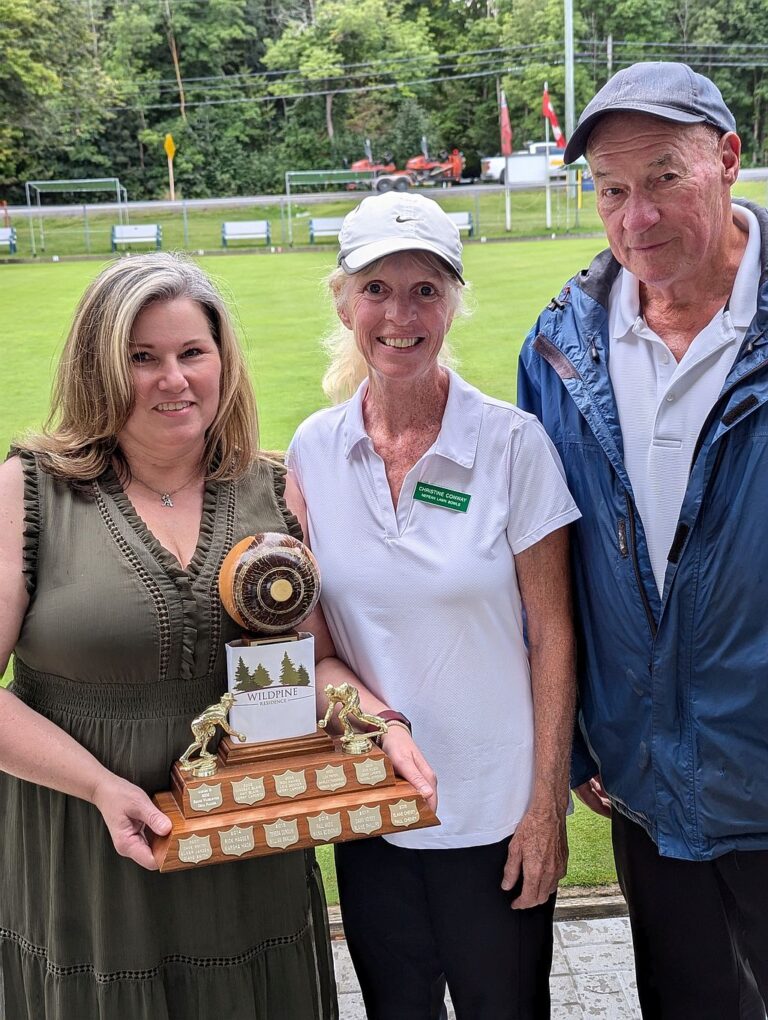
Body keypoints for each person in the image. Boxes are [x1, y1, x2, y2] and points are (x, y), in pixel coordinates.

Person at [0, 252, 337, 1019]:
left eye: (192, 353)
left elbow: (311, 664)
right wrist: (98, 786)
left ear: (223, 360)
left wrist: (379, 724)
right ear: (99, 367)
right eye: (141, 358)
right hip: (84, 851)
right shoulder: (31, 490)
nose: (173, 379)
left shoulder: (274, 488)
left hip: (247, 848)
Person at [285, 191, 580, 1020]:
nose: (400, 314)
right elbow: (313, 642)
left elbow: (553, 637)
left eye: (425, 290)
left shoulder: (513, 443)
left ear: (453, 302)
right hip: (373, 809)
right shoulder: (314, 447)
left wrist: (543, 809)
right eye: (377, 289)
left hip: (494, 815)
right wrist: (376, 721)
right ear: (344, 302)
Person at [518, 62, 768, 1019]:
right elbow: (553, 561)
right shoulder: (561, 344)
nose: (638, 217)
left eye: (666, 177)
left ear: (729, 161)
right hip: (644, 780)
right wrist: (580, 729)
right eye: (612, 190)